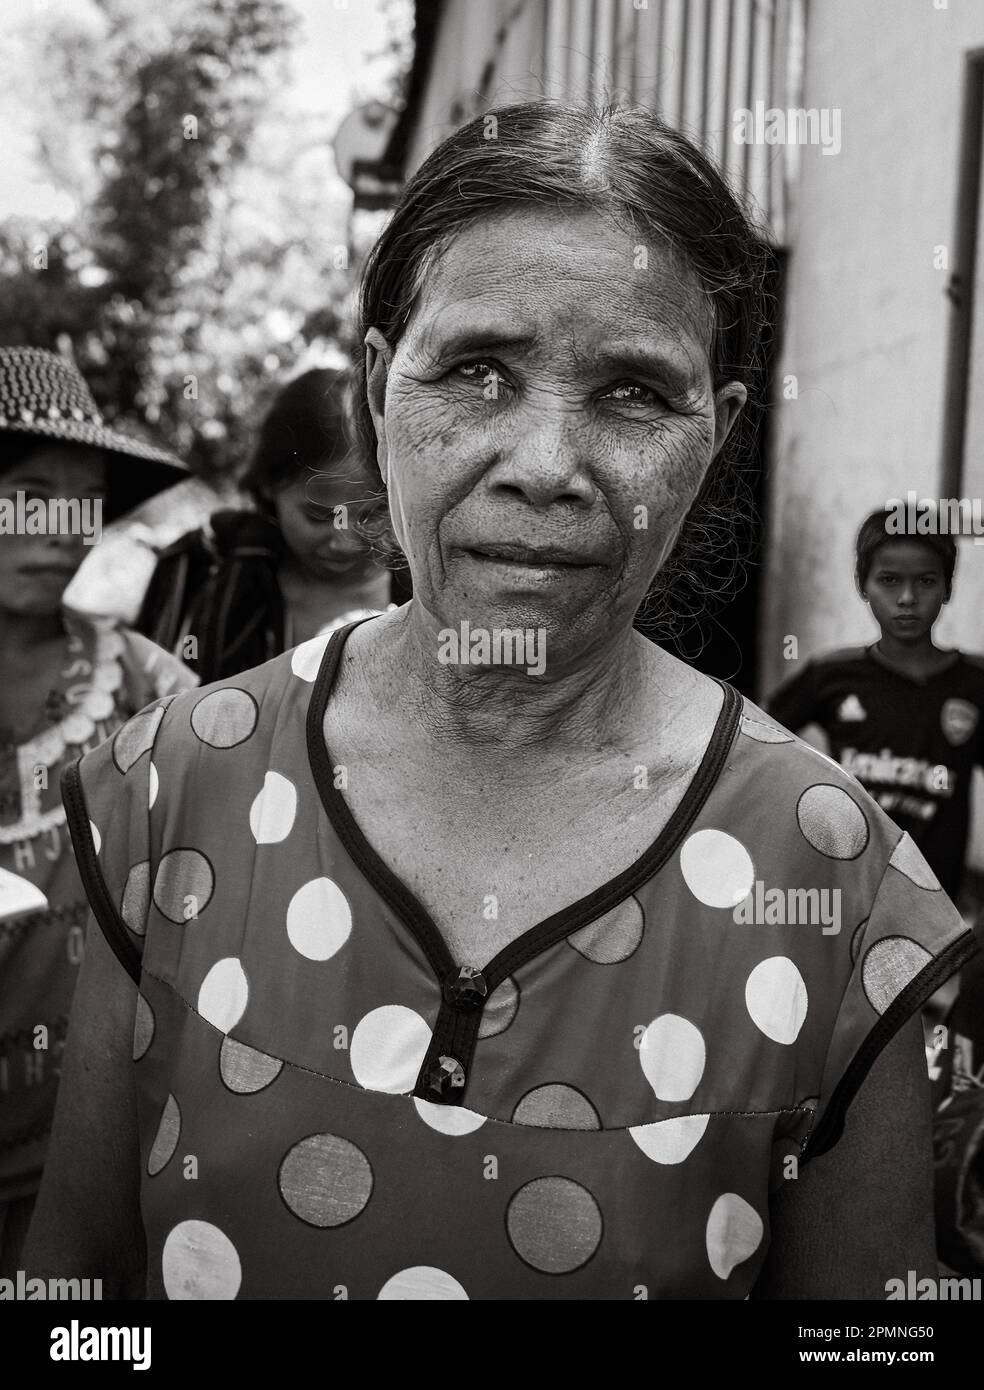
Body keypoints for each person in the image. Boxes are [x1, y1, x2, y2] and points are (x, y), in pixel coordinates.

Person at [26, 103, 977, 1300]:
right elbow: (73, 1292)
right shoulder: (175, 788)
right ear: (380, 394)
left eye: (635, 393)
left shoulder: (833, 880)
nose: (544, 463)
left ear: (716, 437)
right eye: (478, 371)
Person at [0, 347, 197, 1272]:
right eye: (28, 490)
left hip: (83, 1161)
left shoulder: (152, 696)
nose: (58, 527)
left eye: (78, 499)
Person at [136, 367, 409, 683]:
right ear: (269, 485)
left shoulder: (431, 587)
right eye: (318, 516)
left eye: (371, 515)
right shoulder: (206, 571)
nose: (344, 541)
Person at [767, 511, 984, 904]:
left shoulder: (974, 683)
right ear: (862, 585)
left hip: (937, 902)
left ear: (948, 588)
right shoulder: (831, 675)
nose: (907, 598)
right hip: (847, 891)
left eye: (926, 581)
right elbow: (758, 743)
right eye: (889, 580)